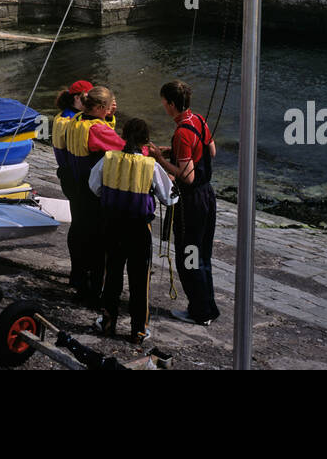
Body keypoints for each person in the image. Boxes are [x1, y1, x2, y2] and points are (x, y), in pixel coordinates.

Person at [89, 117, 173, 344]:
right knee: (139, 280)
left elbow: (94, 185)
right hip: (138, 229)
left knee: (112, 275)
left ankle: (107, 322)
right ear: (146, 140)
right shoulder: (151, 165)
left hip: (113, 225)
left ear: (123, 136)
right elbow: (169, 198)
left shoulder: (108, 159)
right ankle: (138, 330)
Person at [150, 80, 220, 325]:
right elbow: (210, 151)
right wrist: (173, 153)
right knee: (202, 254)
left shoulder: (181, 131)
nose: (164, 108)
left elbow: (186, 176)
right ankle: (207, 307)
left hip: (191, 202)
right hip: (208, 196)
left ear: (170, 104)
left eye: (164, 104)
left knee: (188, 256)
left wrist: (160, 158)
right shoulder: (198, 120)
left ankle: (199, 311)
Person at [61, 84, 125, 306]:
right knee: (98, 242)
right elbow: (121, 146)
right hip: (92, 191)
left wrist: (110, 117)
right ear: (99, 107)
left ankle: (77, 277)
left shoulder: (76, 119)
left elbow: (103, 130)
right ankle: (94, 290)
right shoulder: (97, 129)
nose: (110, 111)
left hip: (74, 185)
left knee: (78, 231)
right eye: (107, 107)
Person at [52, 79, 92, 291]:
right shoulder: (69, 121)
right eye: (87, 99)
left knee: (79, 224)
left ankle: (78, 271)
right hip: (74, 177)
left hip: (69, 176)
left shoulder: (64, 117)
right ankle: (79, 272)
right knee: (81, 225)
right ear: (77, 98)